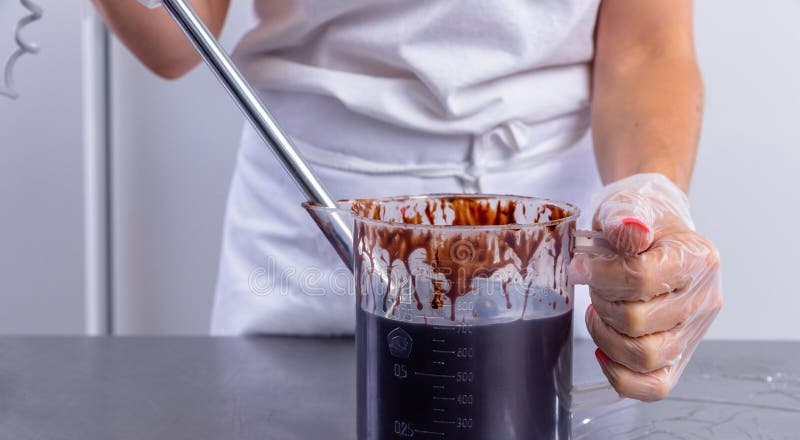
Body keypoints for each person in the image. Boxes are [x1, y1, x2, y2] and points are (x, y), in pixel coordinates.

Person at [94, 0, 722, 401]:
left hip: (545, 233)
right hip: (312, 215)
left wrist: (651, 199)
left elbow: (647, 47)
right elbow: (174, 37)